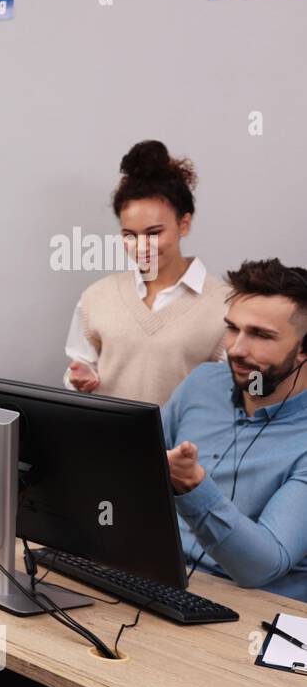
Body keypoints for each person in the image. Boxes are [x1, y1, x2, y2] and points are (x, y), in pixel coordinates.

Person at [162, 259, 307, 602]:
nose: (236, 349)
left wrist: (193, 487)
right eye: (232, 328)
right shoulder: (202, 383)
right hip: (165, 579)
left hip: (253, 610)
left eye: (260, 335)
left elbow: (261, 568)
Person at [64, 140, 226, 405]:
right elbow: (80, 369)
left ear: (183, 224)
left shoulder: (225, 305)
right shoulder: (96, 298)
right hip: (106, 442)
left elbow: (229, 396)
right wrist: (80, 378)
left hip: (183, 445)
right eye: (130, 235)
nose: (141, 247)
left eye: (154, 233)